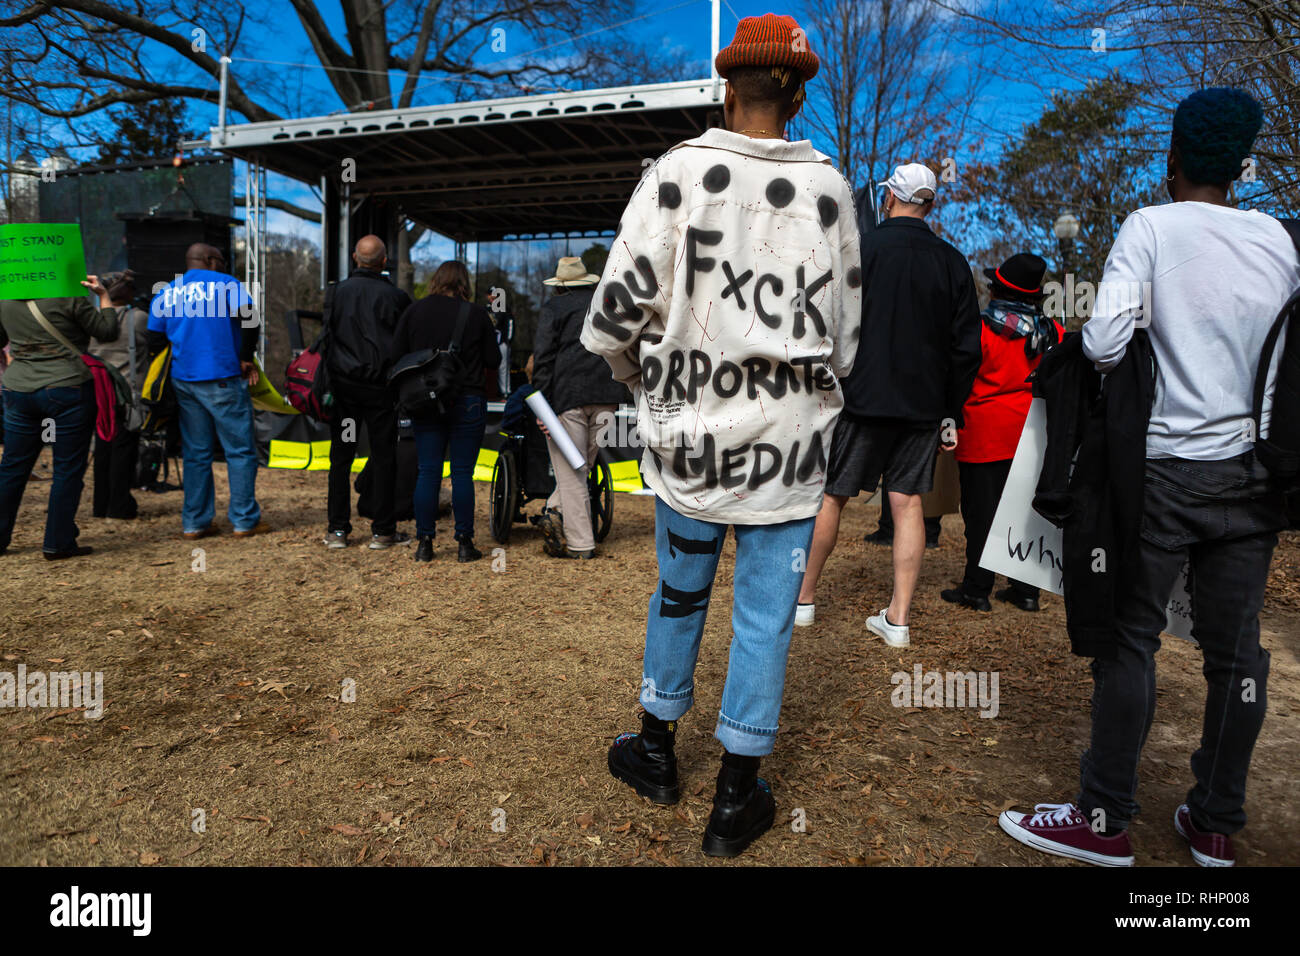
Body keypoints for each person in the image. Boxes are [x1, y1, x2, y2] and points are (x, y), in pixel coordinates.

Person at [999, 88, 1300, 867]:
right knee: (1238, 656)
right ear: (1244, 165)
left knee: (1130, 640)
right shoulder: (1279, 239)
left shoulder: (1150, 228)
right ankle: (1216, 822)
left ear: (1171, 161)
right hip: (1254, 476)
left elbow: (1100, 344)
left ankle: (1103, 820)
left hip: (1162, 472)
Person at [584, 13, 861, 858]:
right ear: (800, 93)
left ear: (726, 86)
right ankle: (736, 796)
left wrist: (643, 378)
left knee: (678, 593)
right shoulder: (832, 192)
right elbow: (845, 341)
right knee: (766, 617)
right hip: (788, 451)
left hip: (687, 443)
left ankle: (658, 752)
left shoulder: (676, 175)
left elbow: (609, 320)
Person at [794, 162, 980, 642]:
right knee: (908, 503)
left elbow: (827, 321)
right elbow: (966, 350)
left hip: (861, 398)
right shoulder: (953, 262)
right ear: (930, 204)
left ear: (890, 198)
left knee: (831, 496)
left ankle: (804, 600)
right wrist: (950, 411)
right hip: (922, 407)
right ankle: (898, 618)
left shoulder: (862, 251)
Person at [941, 253, 1061, 613]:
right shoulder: (1052, 331)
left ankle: (977, 589)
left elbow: (957, 377)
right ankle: (1025, 590)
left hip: (984, 433)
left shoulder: (979, 329)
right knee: (1025, 512)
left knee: (980, 515)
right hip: (1030, 433)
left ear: (997, 291)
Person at [147, 243, 266, 540]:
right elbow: (250, 319)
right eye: (223, 261)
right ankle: (243, 521)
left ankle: (195, 523)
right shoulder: (227, 284)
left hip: (184, 379)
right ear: (212, 260)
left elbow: (153, 337)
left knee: (196, 453)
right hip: (223, 375)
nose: (224, 266)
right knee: (239, 450)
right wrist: (246, 357)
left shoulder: (167, 291)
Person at [0, 276, 119, 559]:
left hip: (19, 390)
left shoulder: (4, 298)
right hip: (67, 387)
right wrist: (102, 295)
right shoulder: (68, 296)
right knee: (67, 469)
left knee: (12, 467)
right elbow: (108, 330)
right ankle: (58, 541)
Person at [391, 260, 500, 562]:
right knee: (462, 473)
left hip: (425, 401)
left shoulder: (414, 310)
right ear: (465, 283)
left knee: (428, 471)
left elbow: (396, 356)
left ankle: (424, 543)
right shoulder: (477, 314)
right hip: (468, 399)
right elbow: (493, 360)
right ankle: (464, 544)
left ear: (436, 280)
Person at [533, 256, 630, 559]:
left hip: (567, 397)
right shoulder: (607, 306)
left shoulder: (554, 309)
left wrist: (541, 405)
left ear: (560, 286)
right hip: (607, 395)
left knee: (572, 471)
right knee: (581, 467)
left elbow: (543, 358)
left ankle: (581, 544)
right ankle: (553, 509)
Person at [322, 235, 413, 550]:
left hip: (345, 391)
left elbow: (326, 337)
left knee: (341, 458)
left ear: (354, 258)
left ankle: (337, 531)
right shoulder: (397, 298)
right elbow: (406, 344)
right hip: (381, 392)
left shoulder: (336, 293)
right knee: (384, 457)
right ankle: (383, 531)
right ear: (384, 261)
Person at [89, 270, 150, 520]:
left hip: (97, 392)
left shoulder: (91, 319)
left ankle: (100, 505)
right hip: (127, 394)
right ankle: (119, 505)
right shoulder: (139, 319)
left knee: (102, 448)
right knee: (124, 451)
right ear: (129, 293)